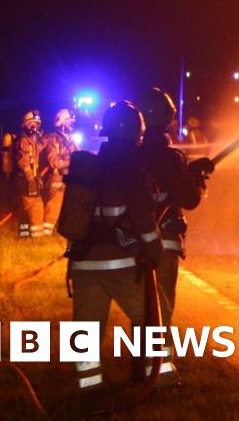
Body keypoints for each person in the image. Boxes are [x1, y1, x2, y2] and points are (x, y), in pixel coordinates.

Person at [65, 100, 166, 397]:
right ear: (136, 132)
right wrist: (153, 246)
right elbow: (143, 215)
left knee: (85, 331)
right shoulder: (130, 170)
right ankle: (154, 380)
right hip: (121, 264)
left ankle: (89, 387)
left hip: (83, 263)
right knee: (149, 319)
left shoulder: (91, 166)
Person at [136, 88, 210, 350]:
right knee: (161, 304)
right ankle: (160, 367)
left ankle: (142, 362)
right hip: (164, 241)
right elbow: (189, 200)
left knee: (142, 304)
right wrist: (198, 180)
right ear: (167, 118)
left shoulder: (133, 155)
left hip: (132, 243)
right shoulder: (171, 158)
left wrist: (188, 171)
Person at [39, 109, 77, 237]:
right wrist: (70, 162)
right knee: (53, 205)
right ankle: (45, 233)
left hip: (67, 177)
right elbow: (54, 162)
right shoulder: (51, 139)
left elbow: (78, 155)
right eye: (69, 122)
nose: (71, 125)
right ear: (61, 123)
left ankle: (57, 230)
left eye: (72, 122)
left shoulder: (70, 139)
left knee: (66, 206)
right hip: (55, 177)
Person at [16, 110, 44, 239]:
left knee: (24, 208)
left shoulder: (32, 140)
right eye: (31, 123)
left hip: (31, 178)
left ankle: (24, 235)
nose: (34, 126)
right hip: (26, 179)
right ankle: (37, 237)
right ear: (25, 125)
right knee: (36, 207)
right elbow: (23, 162)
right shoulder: (23, 141)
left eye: (36, 124)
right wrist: (30, 179)